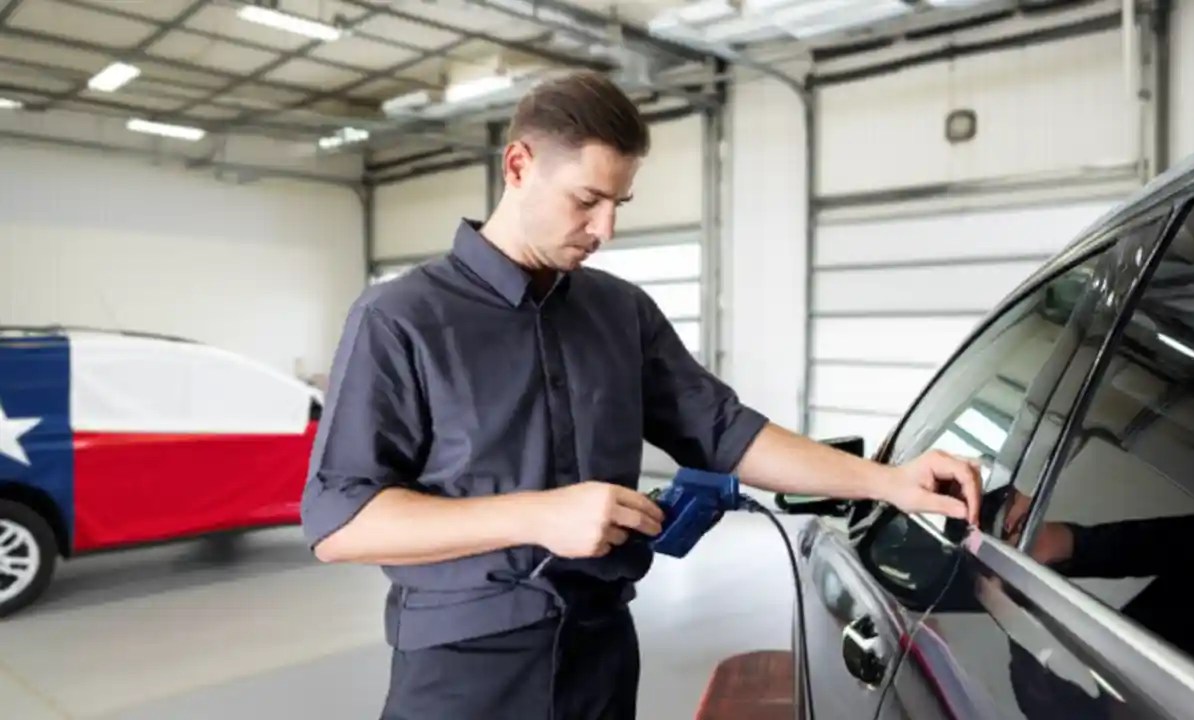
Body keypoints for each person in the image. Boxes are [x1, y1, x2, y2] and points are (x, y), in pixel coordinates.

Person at [300, 70, 982, 720]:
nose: (605, 231)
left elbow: (726, 431)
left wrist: (886, 482)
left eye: (618, 205)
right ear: (517, 166)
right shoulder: (401, 318)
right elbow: (340, 522)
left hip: (602, 652)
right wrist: (537, 516)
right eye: (586, 201)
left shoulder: (620, 312)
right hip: (464, 670)